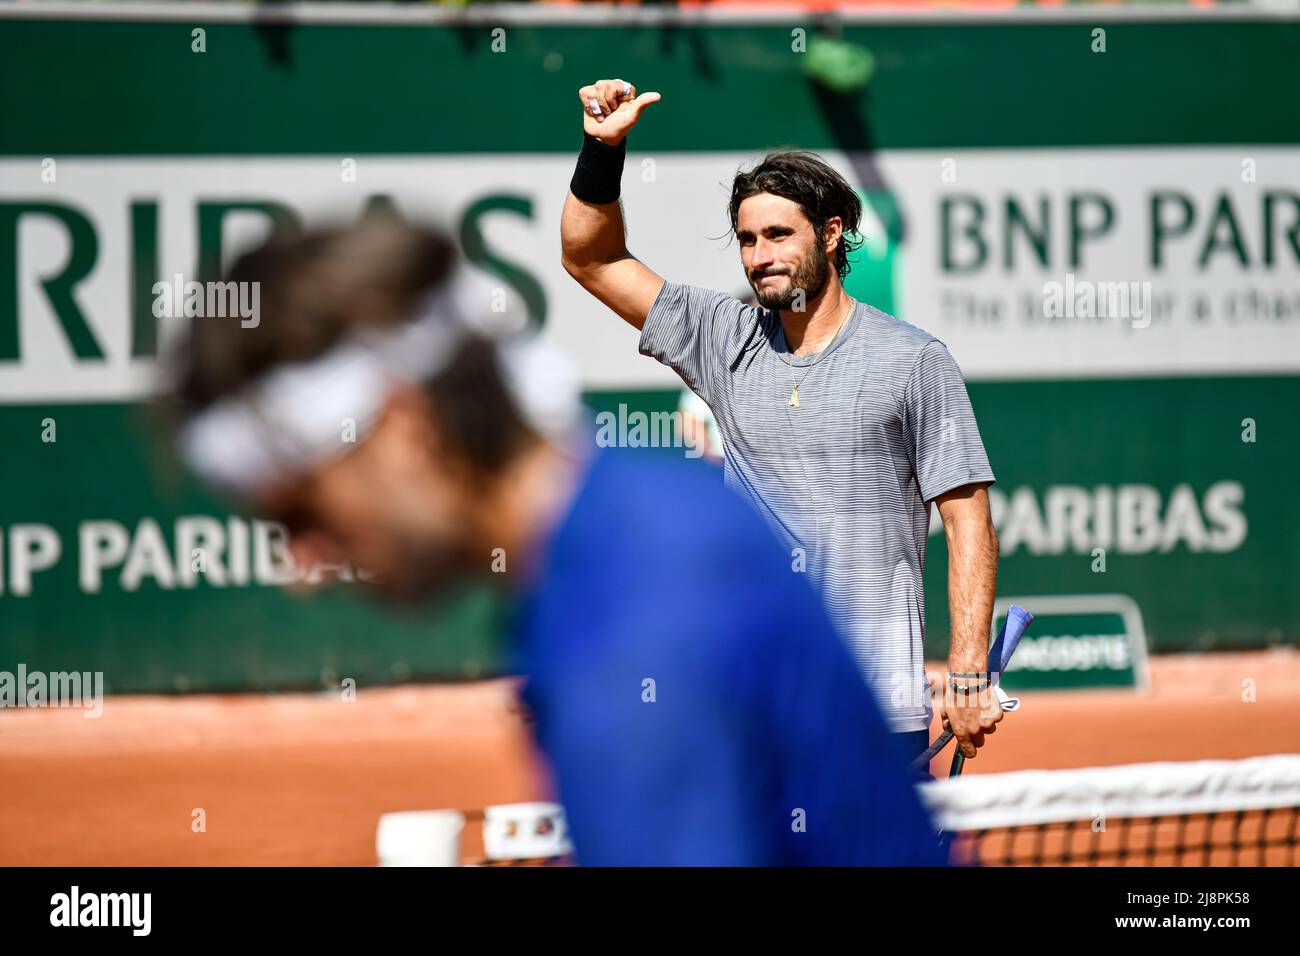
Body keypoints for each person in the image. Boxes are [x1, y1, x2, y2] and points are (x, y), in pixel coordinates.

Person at [170, 218, 945, 865]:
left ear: (402, 429)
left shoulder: (629, 629)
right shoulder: (635, 522)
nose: (302, 566)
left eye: (301, 513)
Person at [560, 78, 1003, 765]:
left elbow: (966, 515)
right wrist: (601, 149)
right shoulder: (719, 335)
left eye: (776, 235)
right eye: (746, 239)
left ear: (830, 235)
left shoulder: (914, 360)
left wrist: (968, 668)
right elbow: (592, 257)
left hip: (873, 697)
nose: (759, 255)